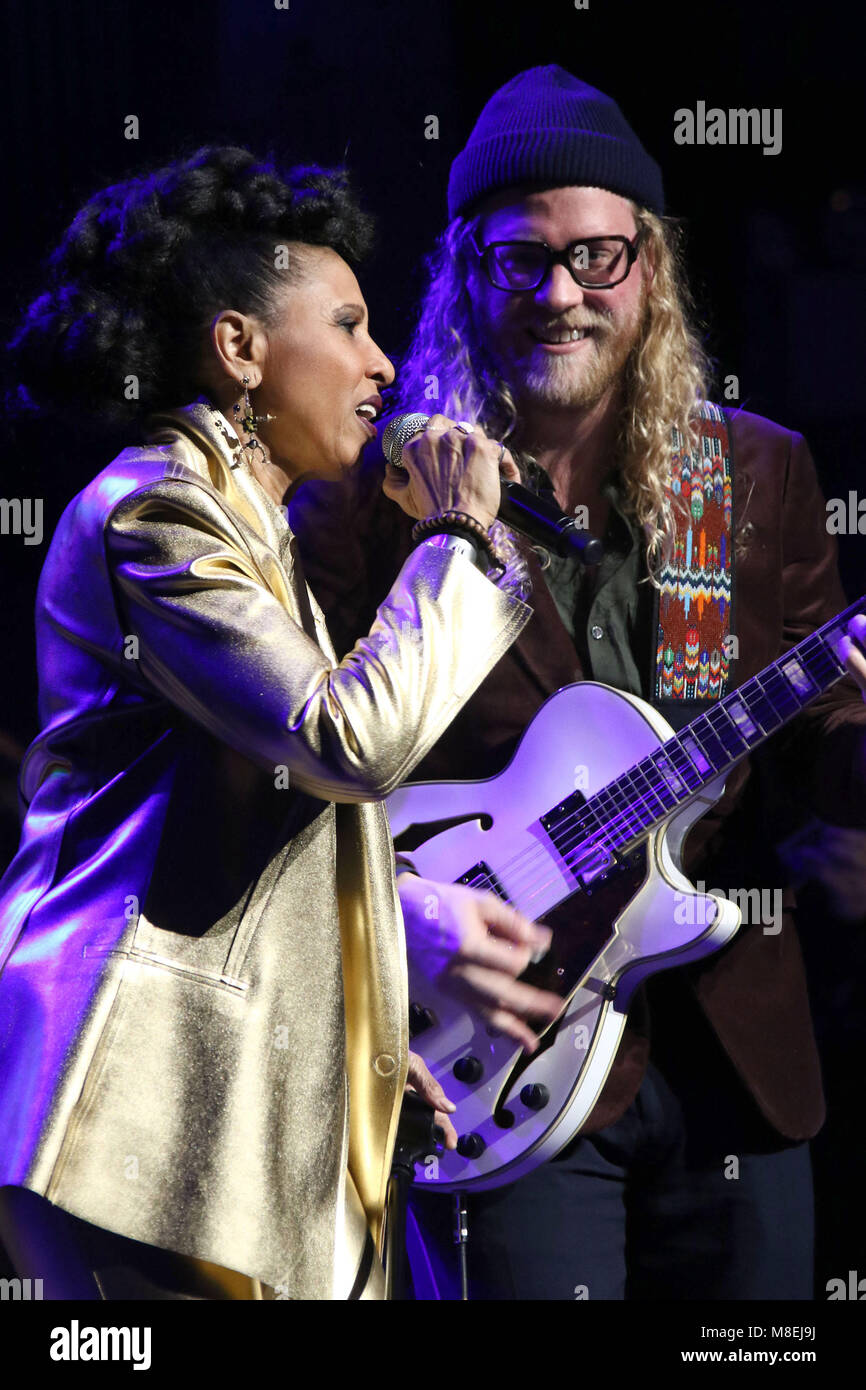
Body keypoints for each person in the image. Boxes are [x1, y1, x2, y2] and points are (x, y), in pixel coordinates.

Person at [291, 67, 866, 1299]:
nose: (560, 294)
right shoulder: (372, 497)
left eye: (597, 257)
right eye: (519, 260)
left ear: (648, 270)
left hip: (731, 1058)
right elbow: (272, 770)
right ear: (462, 274)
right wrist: (396, 921)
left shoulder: (754, 473)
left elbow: (827, 737)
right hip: (487, 1057)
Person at [0, 145, 534, 1300]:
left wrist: (367, 1046)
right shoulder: (157, 517)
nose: (381, 363)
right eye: (345, 324)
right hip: (134, 1114)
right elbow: (348, 743)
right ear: (240, 347)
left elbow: (291, 838)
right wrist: (455, 539)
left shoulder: (250, 535)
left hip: (234, 1109)